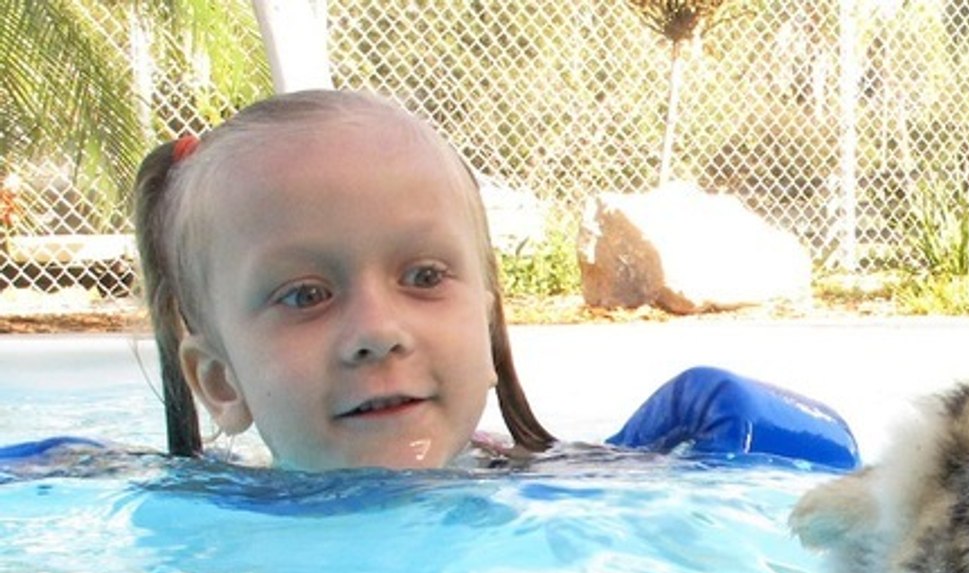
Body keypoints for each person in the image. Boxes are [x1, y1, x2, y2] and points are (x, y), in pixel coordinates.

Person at [123, 88, 856, 474]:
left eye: (424, 275)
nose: (378, 331)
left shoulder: (576, 487)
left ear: (484, 314)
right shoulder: (198, 522)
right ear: (219, 382)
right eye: (306, 295)